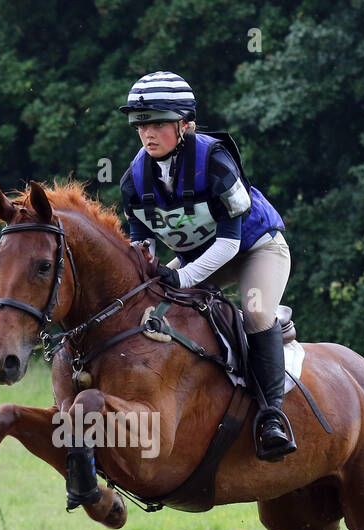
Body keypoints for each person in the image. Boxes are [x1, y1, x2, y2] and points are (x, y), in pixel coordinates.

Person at [117, 70, 295, 461]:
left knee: (255, 310)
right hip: (200, 258)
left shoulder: (214, 161)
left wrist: (179, 275)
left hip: (256, 248)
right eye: (141, 124)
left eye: (159, 123)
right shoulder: (134, 179)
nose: (148, 134)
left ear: (184, 125)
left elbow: (230, 242)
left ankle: (272, 417)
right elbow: (140, 247)